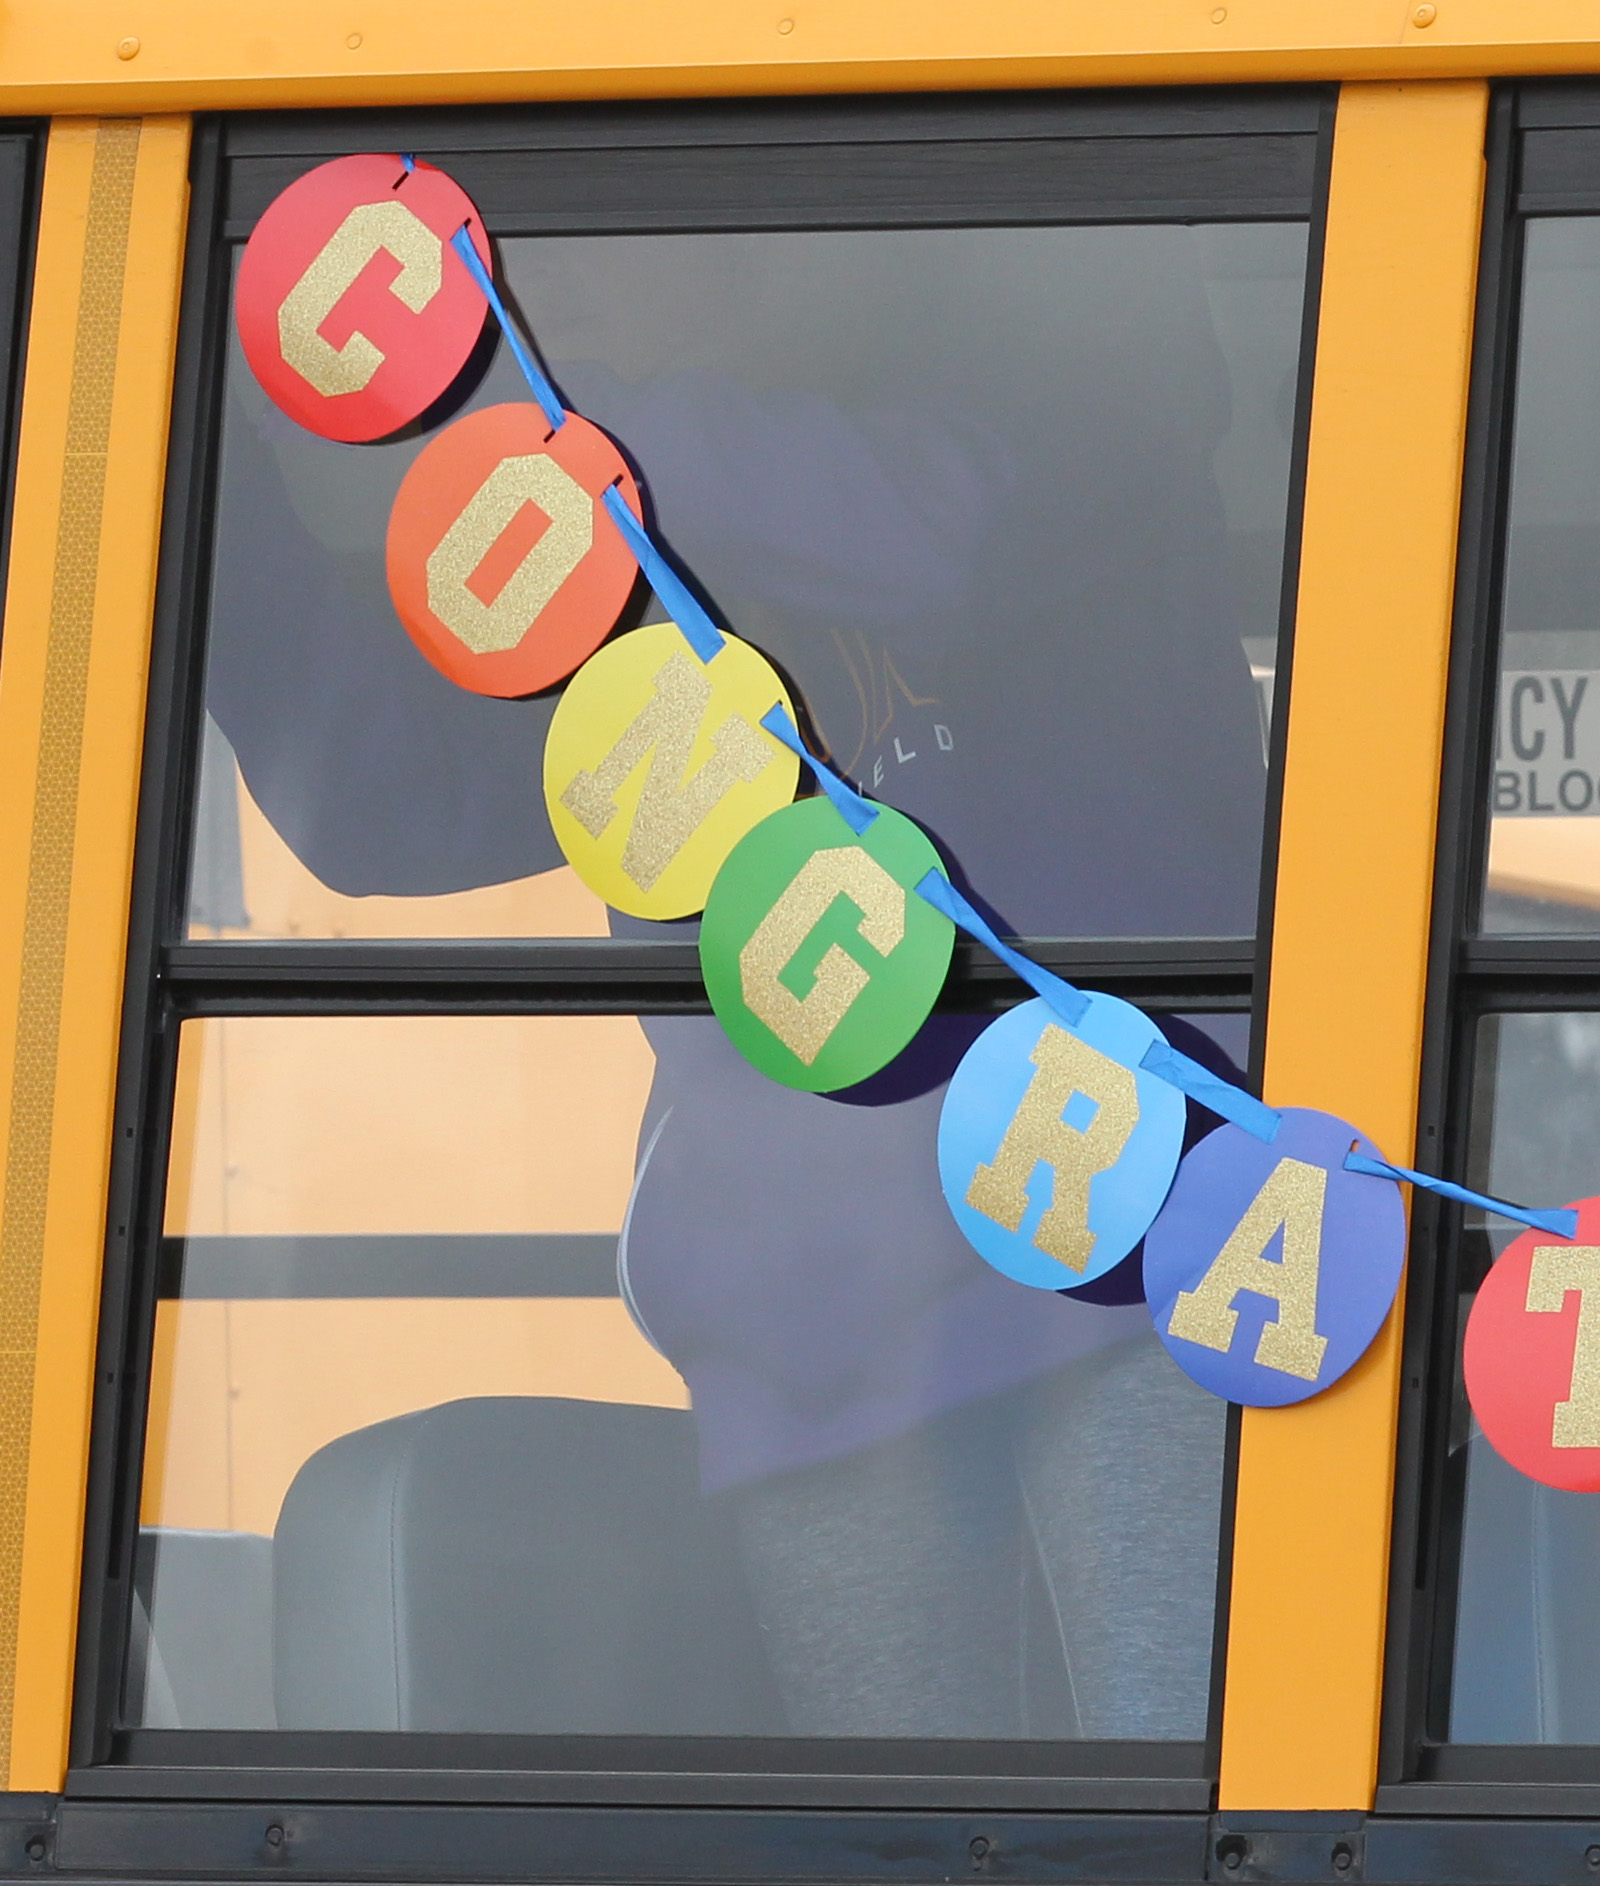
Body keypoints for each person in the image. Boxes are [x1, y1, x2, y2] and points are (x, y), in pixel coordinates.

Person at [201, 225, 1285, 1738]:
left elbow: (937, 535)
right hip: (818, 1327)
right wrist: (201, 456)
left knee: (1225, 1798)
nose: (533, 285)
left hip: (1153, 1250)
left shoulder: (1079, 374)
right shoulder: (605, 551)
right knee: (914, 1846)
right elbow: (388, 792)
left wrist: (565, 436)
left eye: (587, 233)